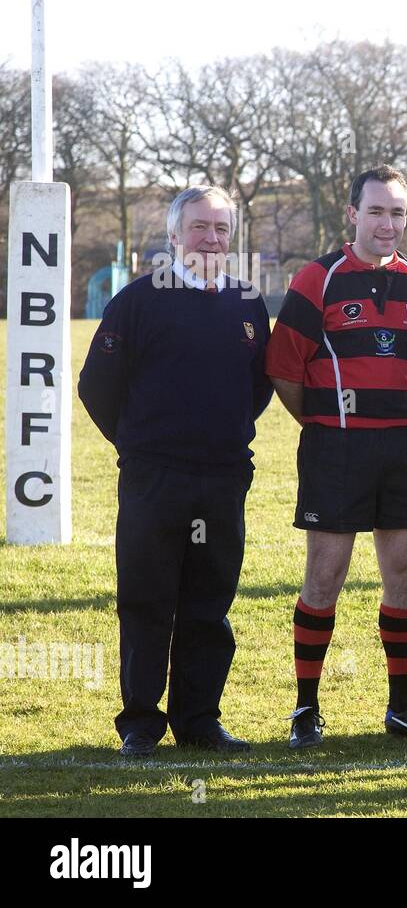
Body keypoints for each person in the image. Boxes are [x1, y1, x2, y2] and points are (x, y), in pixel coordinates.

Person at [79, 185, 272, 757]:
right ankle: (140, 722)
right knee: (146, 598)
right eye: (198, 227)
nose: (210, 239)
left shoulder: (246, 303)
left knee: (209, 603)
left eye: (220, 229)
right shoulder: (137, 302)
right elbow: (97, 387)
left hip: (223, 476)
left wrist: (222, 436)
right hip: (153, 478)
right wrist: (140, 446)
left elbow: (257, 388)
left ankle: (199, 720)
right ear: (173, 236)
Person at [265, 164, 407, 749]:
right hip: (334, 447)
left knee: (406, 574)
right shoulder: (315, 279)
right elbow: (283, 371)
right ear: (353, 214)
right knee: (325, 577)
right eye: (376, 211)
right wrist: (326, 421)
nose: (388, 223)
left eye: (397, 212)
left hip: (404, 445)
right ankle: (306, 708)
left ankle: (400, 706)